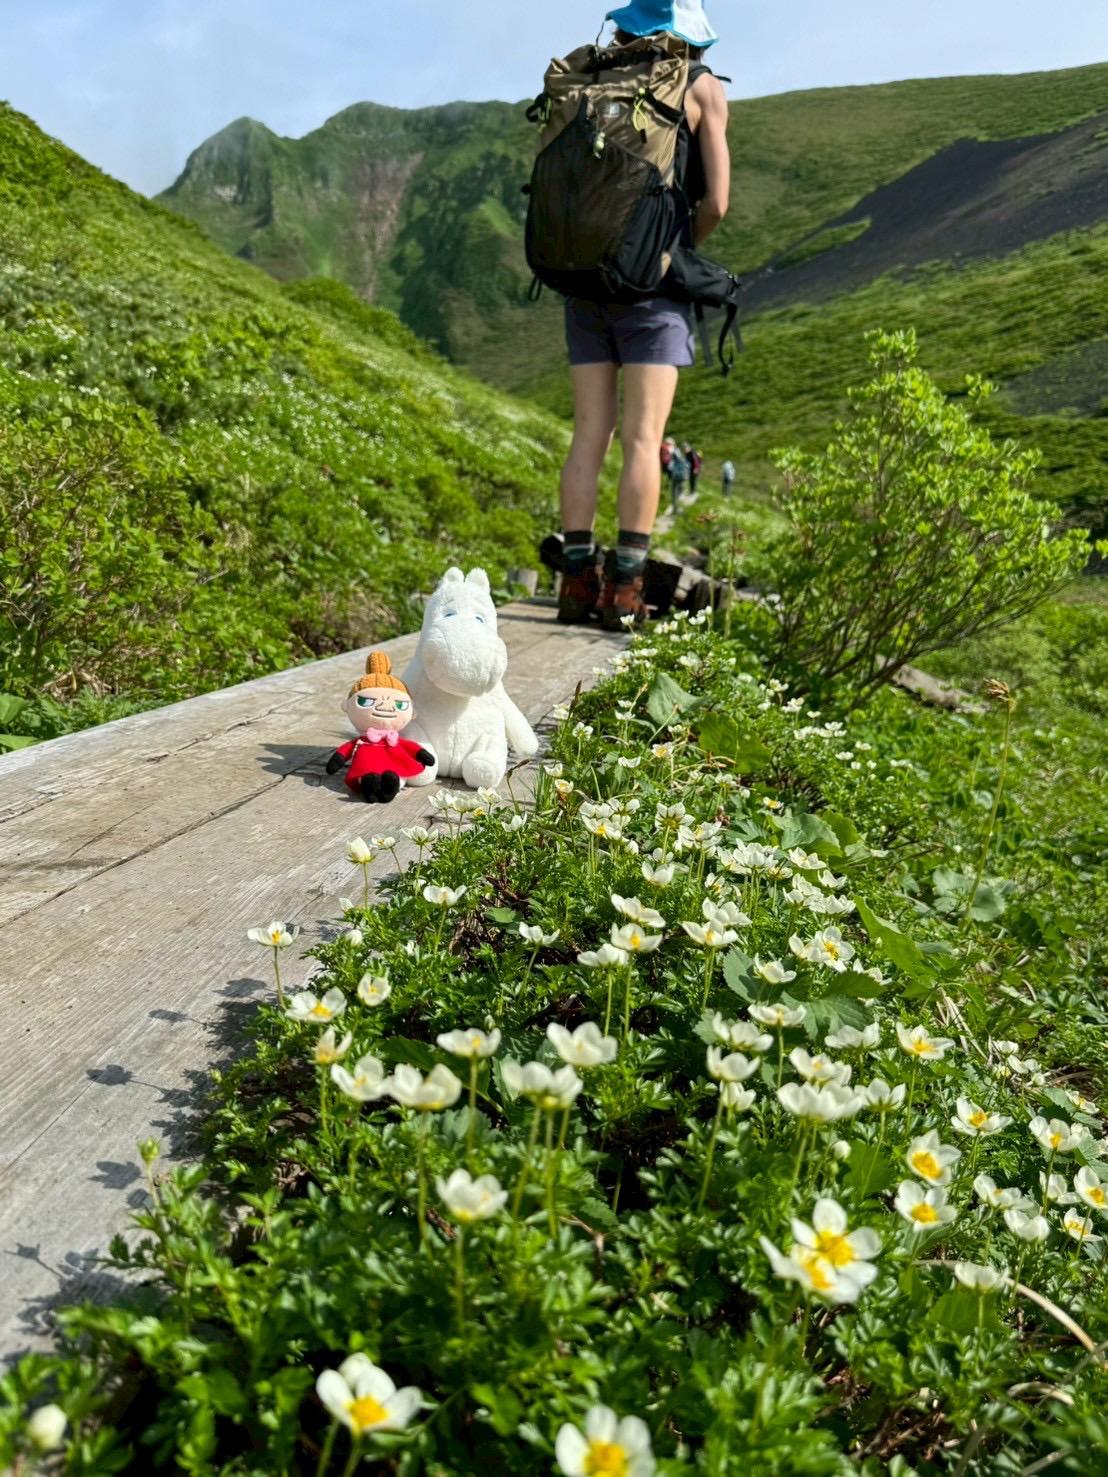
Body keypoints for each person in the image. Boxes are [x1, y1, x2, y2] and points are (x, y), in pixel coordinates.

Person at [556, 0, 731, 630]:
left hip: (584, 279)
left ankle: (576, 583)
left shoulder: (592, 76)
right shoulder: (700, 85)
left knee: (588, 436)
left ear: (629, 24)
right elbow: (716, 201)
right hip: (652, 290)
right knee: (642, 440)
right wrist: (670, 251)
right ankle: (625, 591)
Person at [667, 444, 689, 518]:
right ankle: (679, 508)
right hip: (682, 477)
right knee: (679, 492)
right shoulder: (682, 456)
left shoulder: (673, 456)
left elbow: (670, 467)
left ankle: (675, 509)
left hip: (676, 477)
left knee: (674, 493)